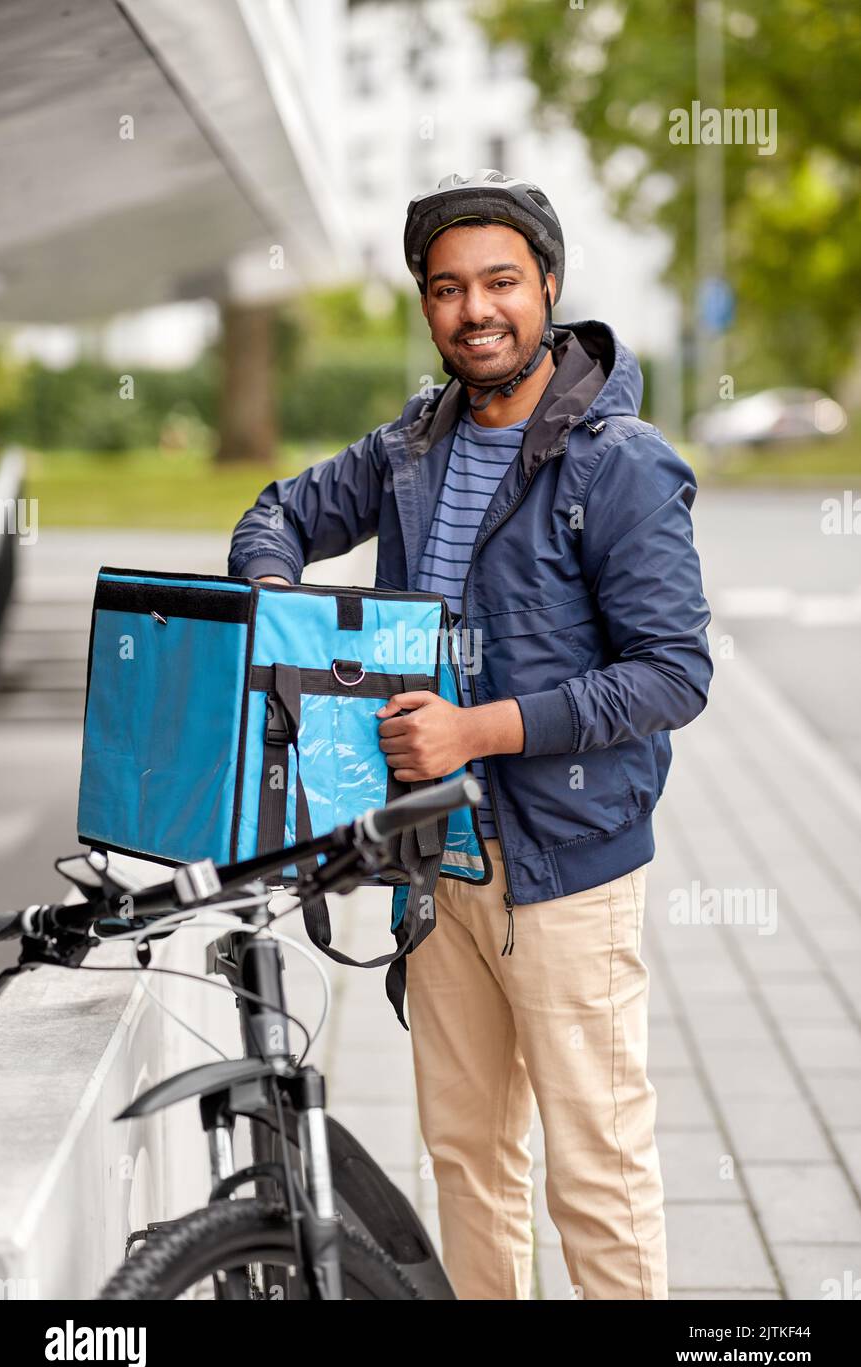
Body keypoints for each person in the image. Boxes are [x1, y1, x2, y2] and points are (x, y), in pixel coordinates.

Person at [228, 169, 713, 1301]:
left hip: (565, 866)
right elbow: (278, 515)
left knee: (594, 1170)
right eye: (445, 289)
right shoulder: (411, 446)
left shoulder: (620, 463)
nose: (474, 310)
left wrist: (475, 729)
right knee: (466, 1161)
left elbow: (672, 672)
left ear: (548, 285)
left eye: (500, 280)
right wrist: (280, 607)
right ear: (425, 305)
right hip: (432, 863)